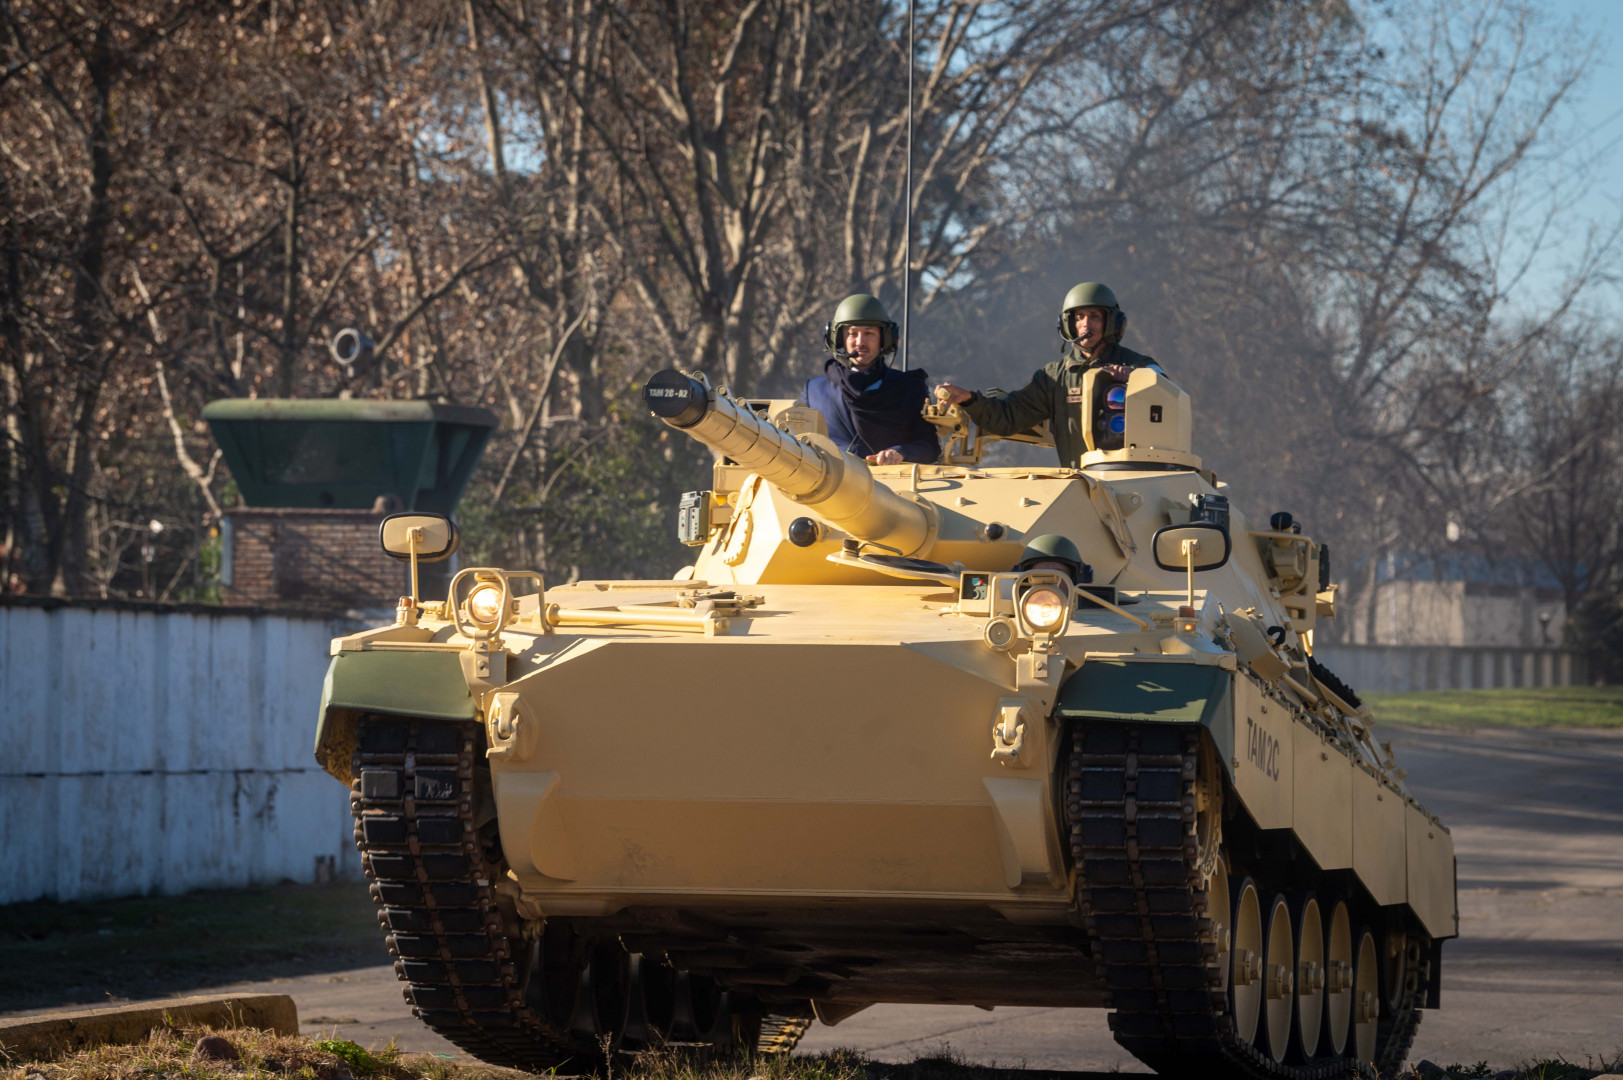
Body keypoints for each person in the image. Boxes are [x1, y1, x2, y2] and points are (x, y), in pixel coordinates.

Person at [934, 282, 1162, 468]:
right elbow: (1009, 417)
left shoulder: (1136, 364)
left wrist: (1138, 378)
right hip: (1080, 484)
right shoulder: (1054, 377)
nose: (1085, 324)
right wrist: (969, 400)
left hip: (1132, 480)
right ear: (1068, 324)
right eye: (1079, 317)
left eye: (1094, 316)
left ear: (1111, 322)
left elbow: (1166, 388)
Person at [801, 294, 940, 465]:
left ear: (885, 338)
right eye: (852, 334)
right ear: (838, 338)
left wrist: (900, 452)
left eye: (869, 333)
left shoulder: (908, 387)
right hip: (831, 486)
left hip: (891, 487)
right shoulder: (815, 391)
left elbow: (929, 447)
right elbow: (797, 446)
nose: (860, 342)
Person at [1015, 534, 1092, 585]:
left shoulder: (1094, 609)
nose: (1048, 582)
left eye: (1057, 575)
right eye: (1039, 575)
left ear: (1074, 579)